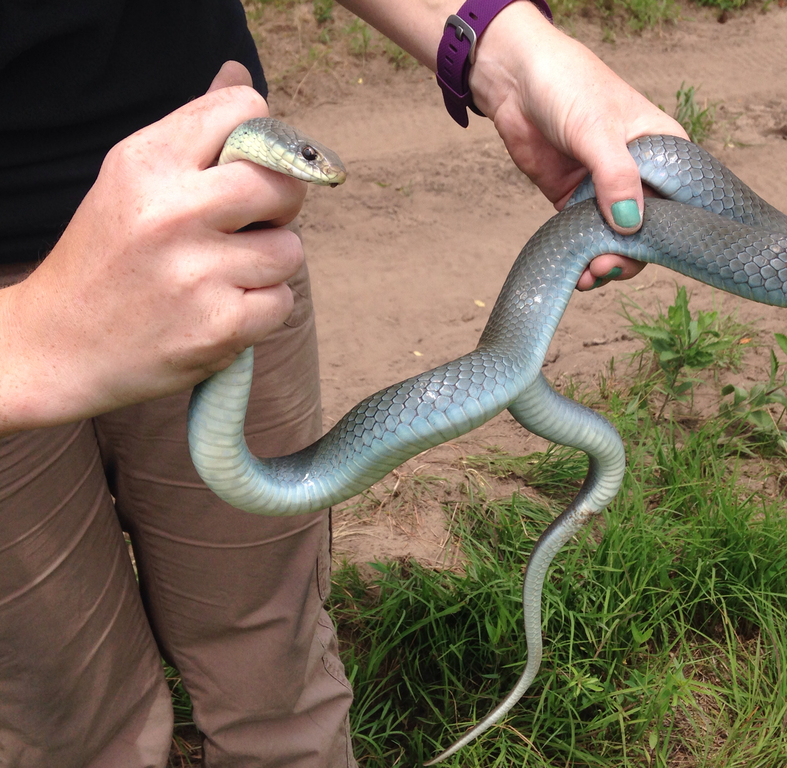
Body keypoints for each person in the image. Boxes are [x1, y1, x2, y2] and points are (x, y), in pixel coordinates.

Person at [0, 1, 686, 765]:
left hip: (209, 249)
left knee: (273, 656)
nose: (330, 175)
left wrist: (504, 46)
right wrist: (24, 343)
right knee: (64, 709)